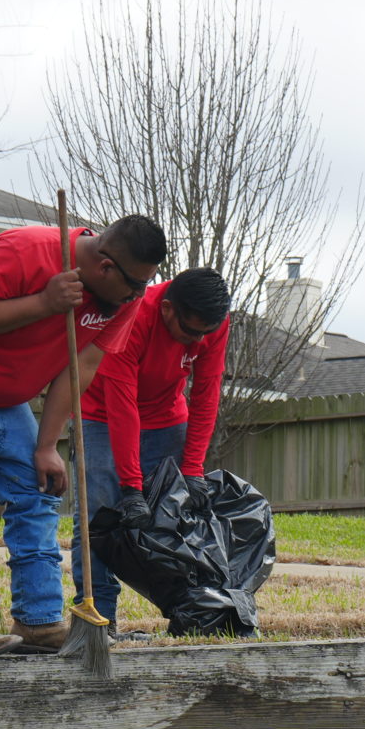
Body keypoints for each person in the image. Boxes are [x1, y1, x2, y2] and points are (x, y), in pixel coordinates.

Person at [0, 214, 168, 659]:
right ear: (105, 268)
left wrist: (46, 446)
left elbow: (84, 366)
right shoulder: (24, 250)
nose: (140, 295)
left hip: (4, 396)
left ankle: (37, 622)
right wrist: (44, 302)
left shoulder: (122, 298)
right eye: (136, 285)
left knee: (37, 494)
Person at [74, 266, 232, 626]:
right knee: (97, 521)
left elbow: (207, 393)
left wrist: (193, 468)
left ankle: (193, 615)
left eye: (205, 334)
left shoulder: (212, 324)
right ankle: (99, 623)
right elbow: (122, 403)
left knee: (179, 520)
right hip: (101, 416)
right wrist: (131, 486)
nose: (197, 342)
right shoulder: (134, 314)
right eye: (190, 332)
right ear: (167, 309)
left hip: (166, 417)